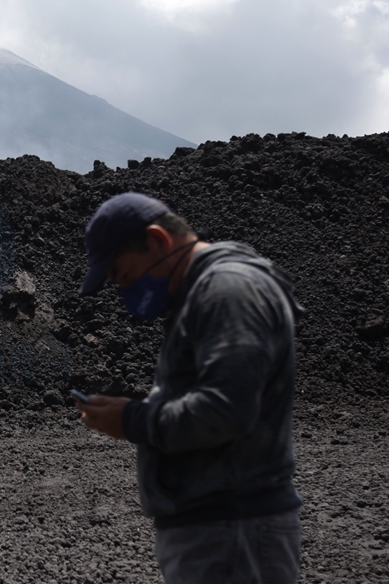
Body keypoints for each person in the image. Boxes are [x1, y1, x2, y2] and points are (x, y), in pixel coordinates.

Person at [76, 192, 304, 584]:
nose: (127, 293)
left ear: (159, 241)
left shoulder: (228, 291)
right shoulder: (200, 295)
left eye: (125, 276)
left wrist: (131, 419)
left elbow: (224, 410)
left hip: (234, 532)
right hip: (219, 531)